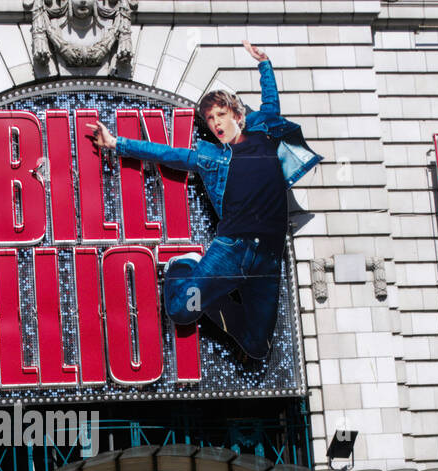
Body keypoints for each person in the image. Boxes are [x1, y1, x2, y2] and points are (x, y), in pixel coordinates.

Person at [89, 42, 322, 363]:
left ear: (238, 115)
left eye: (221, 115)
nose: (216, 124)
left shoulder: (265, 130)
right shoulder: (210, 157)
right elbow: (168, 154)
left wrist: (265, 64)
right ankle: (186, 265)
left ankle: (217, 292)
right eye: (210, 119)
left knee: (256, 346)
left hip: (269, 256)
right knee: (182, 309)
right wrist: (117, 143)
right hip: (231, 250)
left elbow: (270, 100)